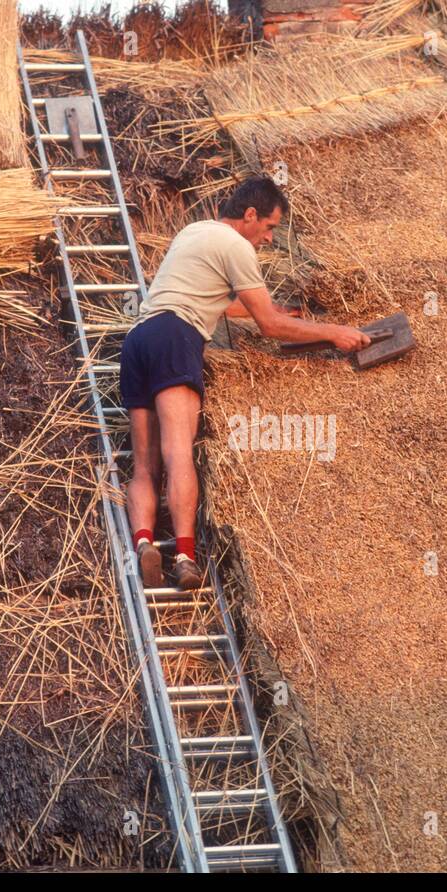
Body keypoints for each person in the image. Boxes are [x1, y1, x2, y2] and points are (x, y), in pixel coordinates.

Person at [119, 176, 370, 590]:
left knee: (145, 463)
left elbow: (218, 299)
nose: (269, 239)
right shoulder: (237, 247)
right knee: (178, 451)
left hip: (140, 340)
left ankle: (144, 542)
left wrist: (277, 311)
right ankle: (184, 557)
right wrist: (332, 331)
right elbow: (270, 326)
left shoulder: (195, 231)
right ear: (250, 215)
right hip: (177, 338)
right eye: (269, 227)